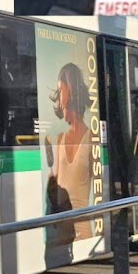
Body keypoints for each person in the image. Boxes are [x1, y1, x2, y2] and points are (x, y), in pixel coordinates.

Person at [43, 63, 93, 246]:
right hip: (62, 235)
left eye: (60, 90)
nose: (59, 100)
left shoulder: (92, 138)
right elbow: (58, 183)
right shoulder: (60, 139)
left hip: (84, 232)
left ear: (71, 91)